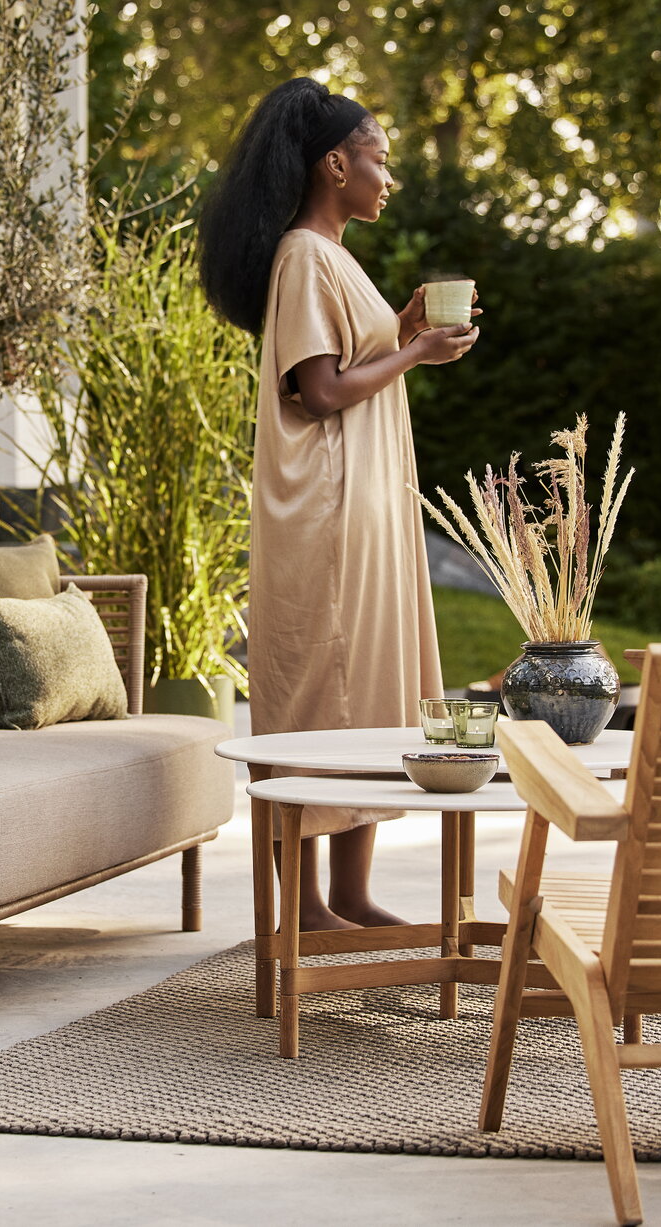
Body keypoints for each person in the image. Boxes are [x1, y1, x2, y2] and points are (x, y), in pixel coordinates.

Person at [200, 77, 477, 931]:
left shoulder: (333, 256)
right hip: (324, 510)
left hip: (363, 505)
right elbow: (319, 392)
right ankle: (306, 908)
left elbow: (351, 360)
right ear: (334, 164)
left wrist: (401, 328)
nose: (387, 177)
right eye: (378, 160)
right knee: (323, 690)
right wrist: (415, 352)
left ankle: (351, 894)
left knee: (375, 689)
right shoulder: (304, 256)